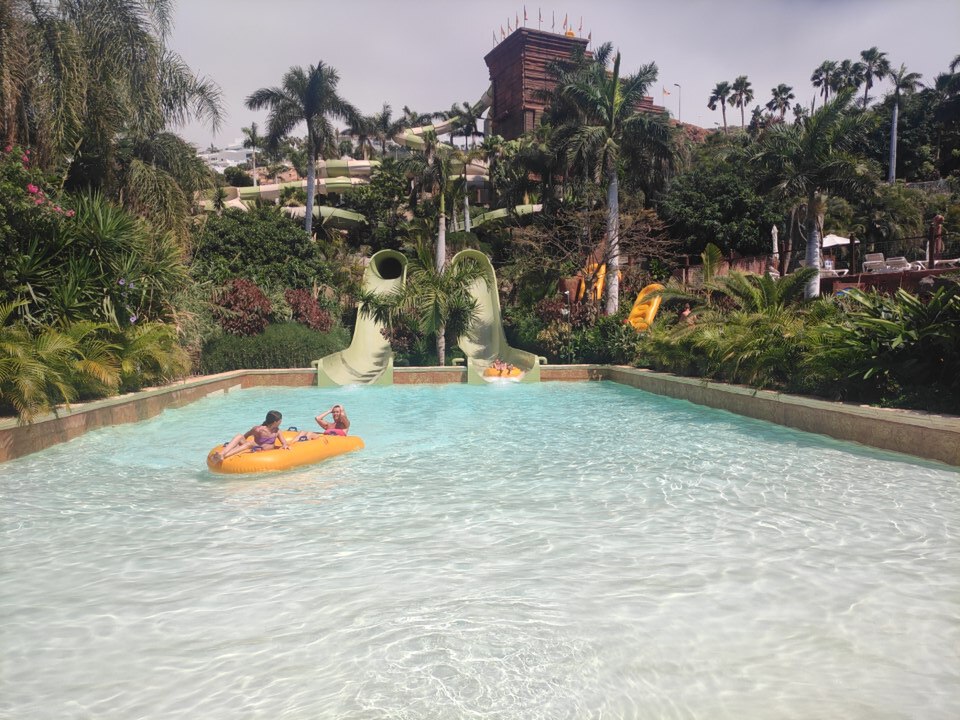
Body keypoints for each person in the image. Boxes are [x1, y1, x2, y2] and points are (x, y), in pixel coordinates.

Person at [213, 410, 290, 463]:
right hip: (255, 449)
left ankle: (223, 455)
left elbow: (284, 443)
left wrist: (285, 445)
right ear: (275, 422)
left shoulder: (277, 431)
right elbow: (245, 436)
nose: (281, 421)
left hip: (266, 453)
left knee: (248, 444)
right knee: (240, 436)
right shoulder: (258, 429)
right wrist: (236, 446)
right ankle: (222, 454)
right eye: (280, 420)